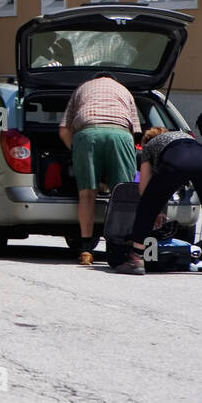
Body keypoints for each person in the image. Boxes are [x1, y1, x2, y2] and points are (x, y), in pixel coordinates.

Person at [58, 72, 140, 265]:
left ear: (94, 79)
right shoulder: (125, 91)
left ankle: (86, 250)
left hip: (87, 134)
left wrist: (77, 151)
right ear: (113, 80)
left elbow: (63, 131)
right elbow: (134, 131)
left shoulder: (81, 89)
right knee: (123, 195)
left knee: (86, 194)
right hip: (120, 135)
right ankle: (120, 247)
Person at [113, 126, 202, 275]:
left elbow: (144, 188)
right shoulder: (184, 136)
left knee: (146, 206)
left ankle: (136, 259)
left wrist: (156, 209)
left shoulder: (149, 147)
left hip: (176, 163)